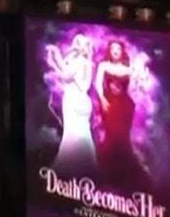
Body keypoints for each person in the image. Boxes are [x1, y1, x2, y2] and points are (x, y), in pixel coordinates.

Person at [95, 39, 144, 187]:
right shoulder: (103, 65)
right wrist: (102, 99)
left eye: (118, 48)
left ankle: (124, 176)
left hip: (125, 106)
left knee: (123, 137)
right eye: (112, 48)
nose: (115, 51)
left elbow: (134, 87)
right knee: (111, 136)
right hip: (108, 103)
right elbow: (97, 84)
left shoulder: (129, 69)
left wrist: (138, 74)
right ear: (109, 51)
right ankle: (108, 175)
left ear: (122, 51)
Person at [45, 34, 96, 174]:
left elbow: (64, 75)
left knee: (74, 134)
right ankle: (84, 167)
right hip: (82, 101)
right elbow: (66, 70)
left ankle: (71, 169)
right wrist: (56, 55)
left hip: (75, 100)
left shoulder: (80, 62)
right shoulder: (87, 63)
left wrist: (53, 61)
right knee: (80, 133)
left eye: (81, 44)